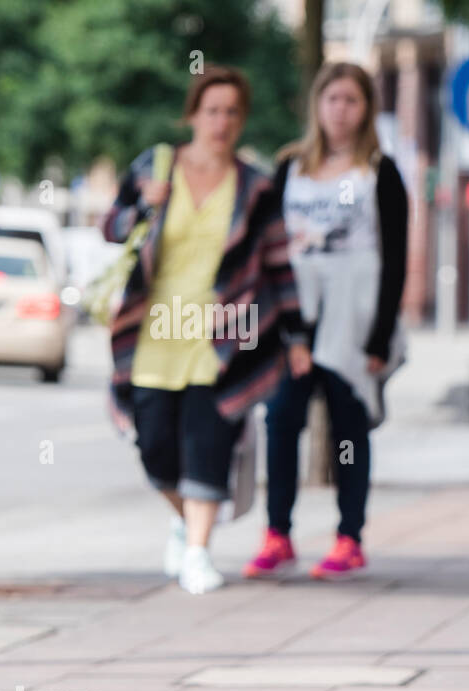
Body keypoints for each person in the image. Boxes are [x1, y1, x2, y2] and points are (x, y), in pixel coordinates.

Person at [101, 66, 305, 595]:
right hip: (156, 328)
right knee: (155, 448)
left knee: (209, 442)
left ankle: (197, 551)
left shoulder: (255, 185)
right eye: (212, 109)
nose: (222, 121)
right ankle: (184, 520)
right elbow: (110, 225)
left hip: (224, 334)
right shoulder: (156, 165)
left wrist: (296, 338)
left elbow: (281, 264)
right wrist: (146, 204)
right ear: (192, 113)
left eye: (233, 111)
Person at [243, 62, 409, 581]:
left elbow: (397, 258)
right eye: (332, 99)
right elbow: (266, 248)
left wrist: (380, 335)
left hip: (353, 322)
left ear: (366, 109)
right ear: (318, 105)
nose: (341, 110)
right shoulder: (289, 167)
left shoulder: (381, 171)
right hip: (295, 320)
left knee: (348, 425)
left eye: (352, 100)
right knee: (281, 420)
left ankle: (349, 537)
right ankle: (278, 534)